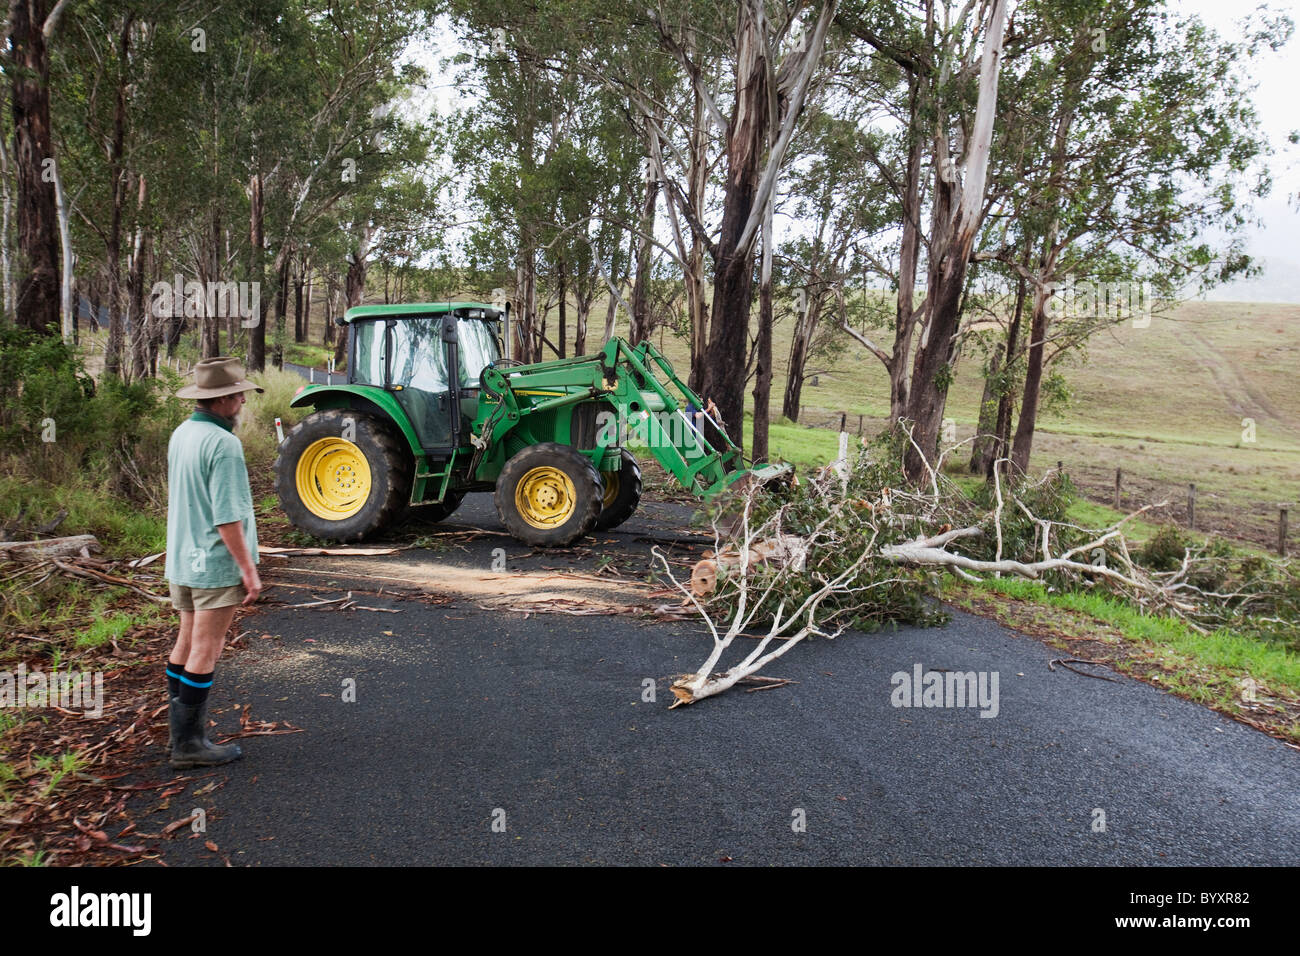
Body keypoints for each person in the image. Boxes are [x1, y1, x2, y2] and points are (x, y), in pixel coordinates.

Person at [163, 357, 264, 769]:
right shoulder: (224, 446)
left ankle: (180, 735)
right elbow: (227, 518)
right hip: (213, 564)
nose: (243, 400)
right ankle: (188, 746)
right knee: (206, 648)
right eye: (238, 394)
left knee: (185, 643)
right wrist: (249, 569)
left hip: (183, 560)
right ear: (221, 399)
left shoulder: (182, 433)